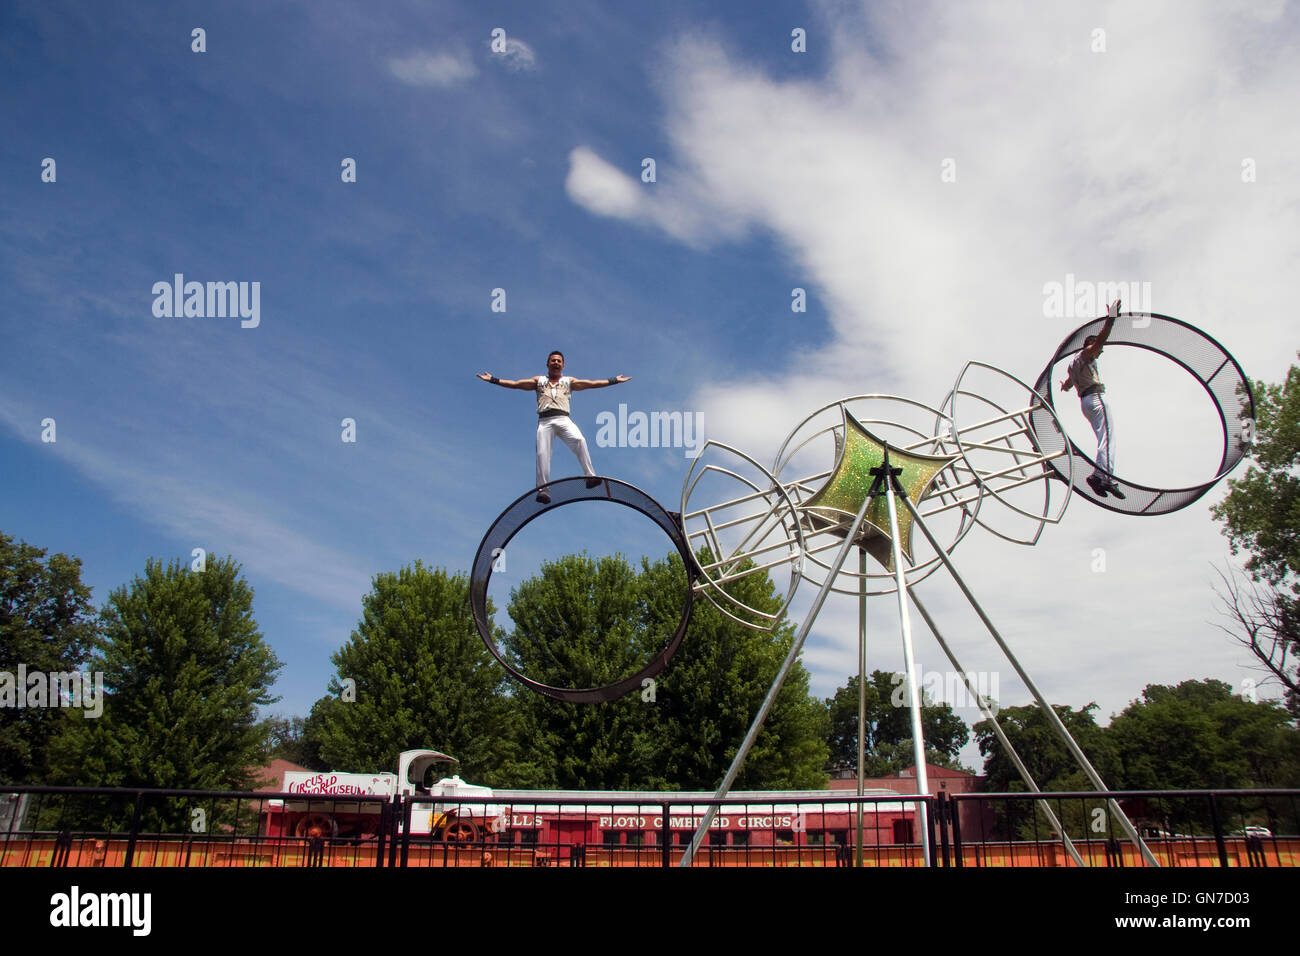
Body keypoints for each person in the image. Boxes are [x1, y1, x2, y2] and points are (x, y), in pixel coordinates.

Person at [478, 351, 630, 502]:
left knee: (579, 440)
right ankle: (543, 491)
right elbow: (516, 384)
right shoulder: (539, 381)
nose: (556, 363)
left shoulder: (568, 382)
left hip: (563, 418)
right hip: (545, 421)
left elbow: (591, 383)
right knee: (542, 454)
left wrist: (613, 380)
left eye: (559, 361)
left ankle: (590, 477)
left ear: (563, 365)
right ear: (547, 364)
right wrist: (493, 379)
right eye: (553, 361)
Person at [1060, 299, 1125, 500]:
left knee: (1103, 438)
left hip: (1085, 403)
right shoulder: (1088, 354)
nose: (1101, 352)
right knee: (1108, 438)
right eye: (1097, 348)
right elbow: (1101, 340)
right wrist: (1111, 320)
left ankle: (1101, 476)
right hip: (1096, 399)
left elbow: (1070, 383)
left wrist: (1065, 386)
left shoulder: (1073, 363)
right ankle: (1104, 477)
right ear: (1090, 345)